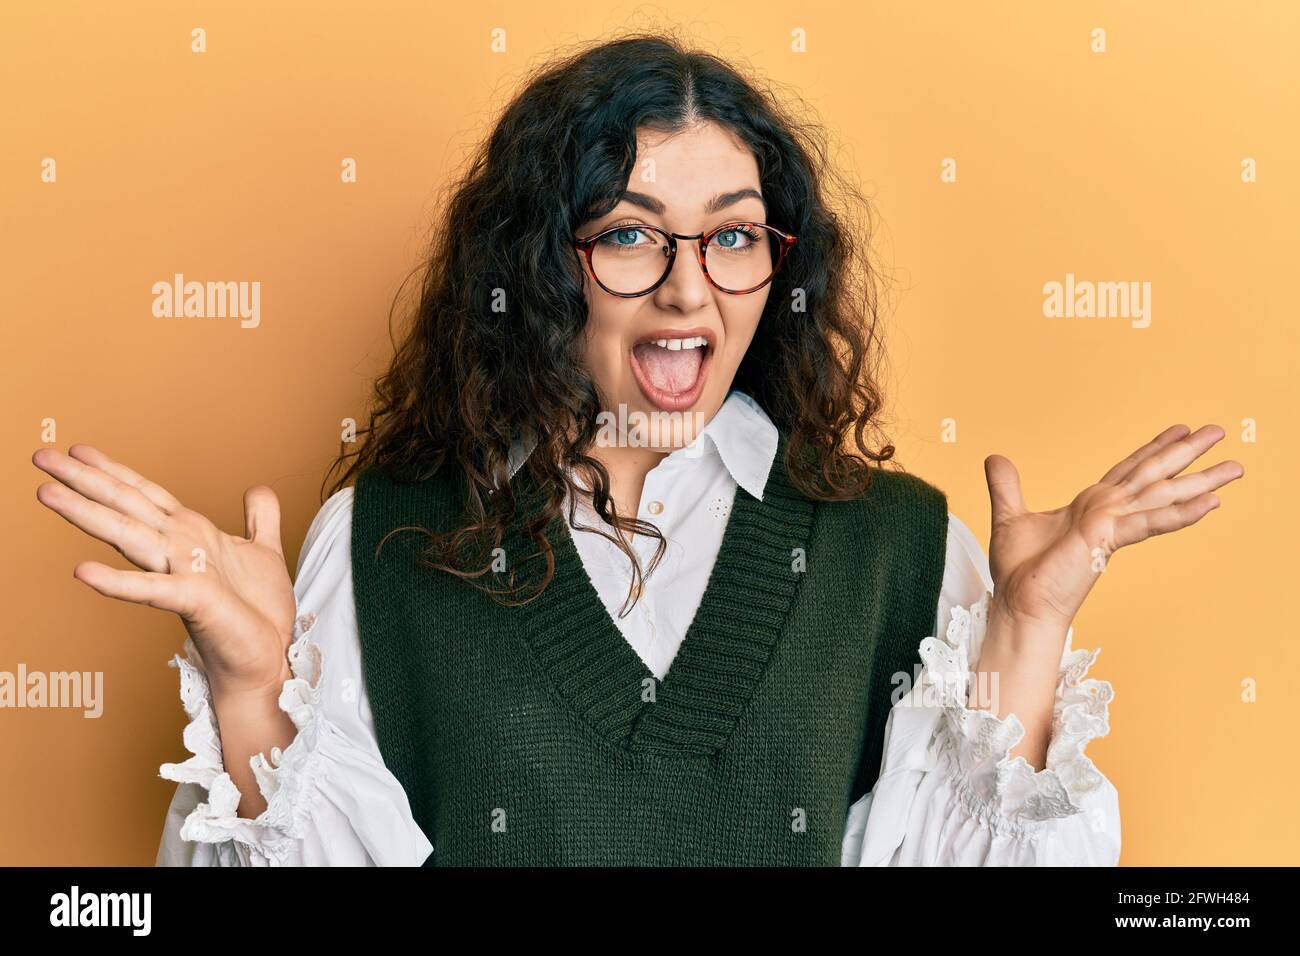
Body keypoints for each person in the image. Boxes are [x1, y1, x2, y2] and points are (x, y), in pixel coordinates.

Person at [32, 33, 1242, 866]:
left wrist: (1025, 631)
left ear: (782, 267)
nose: (685, 292)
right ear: (537, 264)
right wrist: (250, 691)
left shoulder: (896, 546)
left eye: (732, 239)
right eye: (628, 236)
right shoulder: (389, 540)